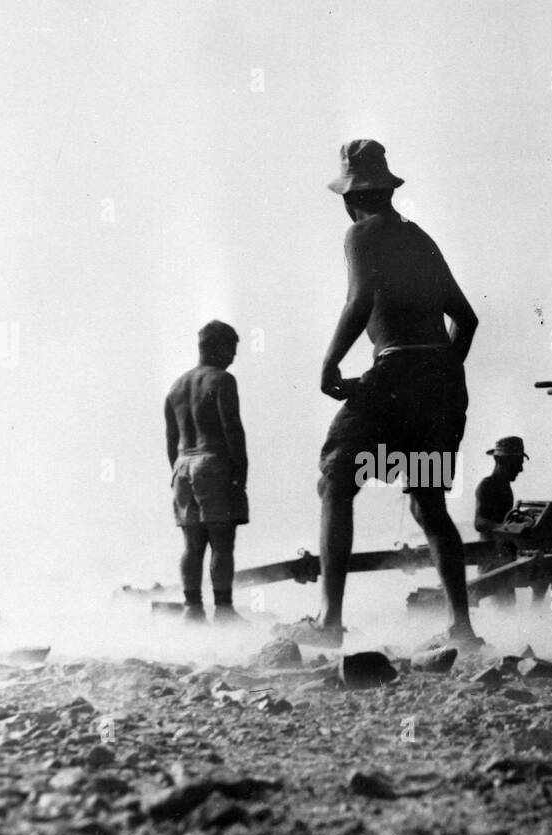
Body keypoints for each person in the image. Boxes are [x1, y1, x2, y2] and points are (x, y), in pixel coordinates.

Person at [290, 139, 480, 648]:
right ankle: (461, 628)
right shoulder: (419, 237)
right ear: (386, 189)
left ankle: (329, 623)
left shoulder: (360, 234)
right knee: (428, 502)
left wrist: (331, 362)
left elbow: (360, 300)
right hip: (440, 385)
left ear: (351, 196)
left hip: (394, 373)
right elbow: (467, 319)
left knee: (336, 482)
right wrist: (437, 374)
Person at [165, 321, 248, 623]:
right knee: (222, 543)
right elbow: (232, 430)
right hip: (213, 462)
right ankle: (224, 610)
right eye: (232, 349)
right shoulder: (223, 380)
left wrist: (175, 473)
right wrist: (240, 474)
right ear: (218, 347)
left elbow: (171, 440)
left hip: (182, 464)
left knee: (191, 544)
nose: (233, 357)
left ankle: (192, 608)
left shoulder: (175, 387)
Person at [473, 436, 528, 606]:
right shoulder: (487, 486)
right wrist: (505, 527)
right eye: (517, 462)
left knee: (508, 609)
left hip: (504, 559)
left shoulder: (506, 487)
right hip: (491, 561)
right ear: (500, 460)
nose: (520, 469)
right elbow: (479, 522)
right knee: (501, 612)